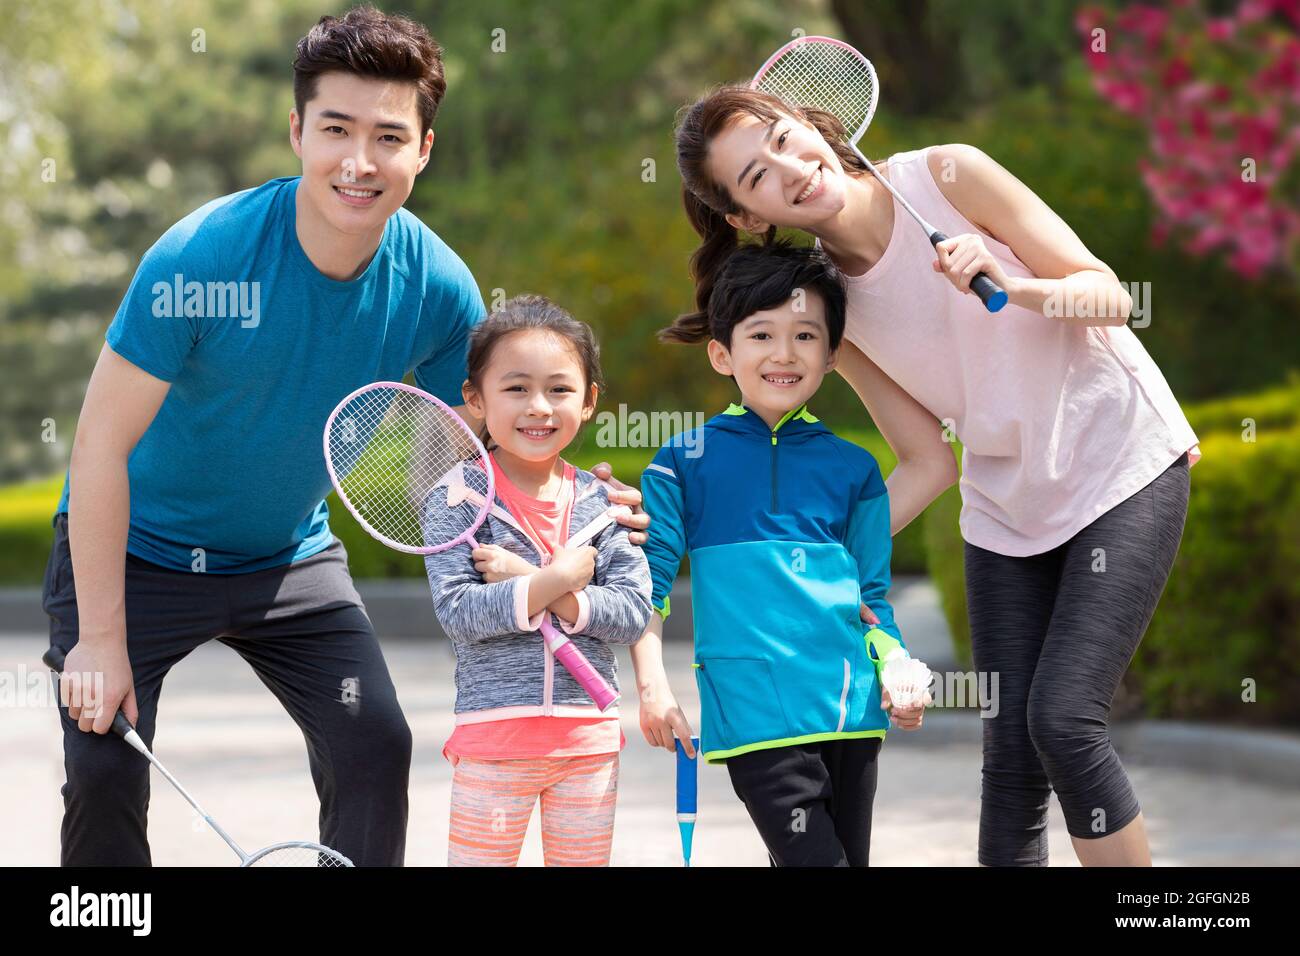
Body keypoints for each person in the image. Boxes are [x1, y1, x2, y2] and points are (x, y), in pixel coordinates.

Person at [43, 7, 649, 867]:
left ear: (423, 150)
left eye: (388, 137)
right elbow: (98, 449)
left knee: (374, 744)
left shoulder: (438, 288)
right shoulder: (199, 259)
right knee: (105, 767)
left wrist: (579, 499)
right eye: (335, 130)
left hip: (287, 559)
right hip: (135, 551)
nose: (359, 162)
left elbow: (491, 447)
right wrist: (101, 640)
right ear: (298, 132)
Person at [664, 85, 1198, 866]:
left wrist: (1011, 285)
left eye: (782, 138)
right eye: (756, 177)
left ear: (809, 122)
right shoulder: (828, 302)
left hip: (1122, 460)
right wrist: (809, 559)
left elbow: (1109, 298)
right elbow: (927, 461)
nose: (790, 168)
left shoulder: (948, 175)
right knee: (1009, 761)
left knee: (1061, 721)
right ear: (746, 217)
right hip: (1005, 506)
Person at [634, 242, 926, 867]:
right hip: (754, 712)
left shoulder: (856, 470)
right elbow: (648, 590)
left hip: (851, 713)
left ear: (832, 354)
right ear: (722, 353)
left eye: (805, 335)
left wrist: (899, 667)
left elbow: (871, 600)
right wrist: (653, 687)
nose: (785, 353)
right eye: (761, 334)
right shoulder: (682, 463)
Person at [422, 296, 653, 867]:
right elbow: (460, 614)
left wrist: (537, 580)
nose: (539, 407)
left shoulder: (606, 503)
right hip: (493, 743)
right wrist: (557, 580)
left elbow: (631, 613)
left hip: (588, 743)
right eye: (517, 388)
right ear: (476, 398)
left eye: (559, 389)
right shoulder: (456, 498)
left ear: (590, 401)